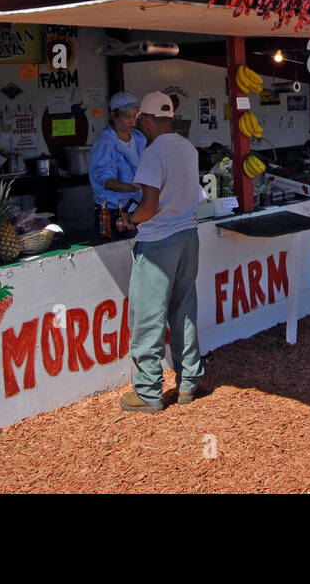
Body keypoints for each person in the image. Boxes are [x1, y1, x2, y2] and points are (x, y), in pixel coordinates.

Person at [120, 91, 206, 413]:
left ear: (145, 119)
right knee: (184, 309)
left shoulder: (153, 154)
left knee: (148, 315)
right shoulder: (187, 148)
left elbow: (149, 206)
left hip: (158, 242)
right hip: (189, 235)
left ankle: (148, 392)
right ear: (169, 117)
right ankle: (188, 383)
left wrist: (130, 219)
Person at [88, 92, 147, 234]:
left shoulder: (139, 139)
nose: (133, 122)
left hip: (136, 209)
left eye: (135, 116)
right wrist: (131, 187)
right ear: (113, 115)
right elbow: (106, 181)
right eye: (127, 117)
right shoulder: (105, 143)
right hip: (112, 212)